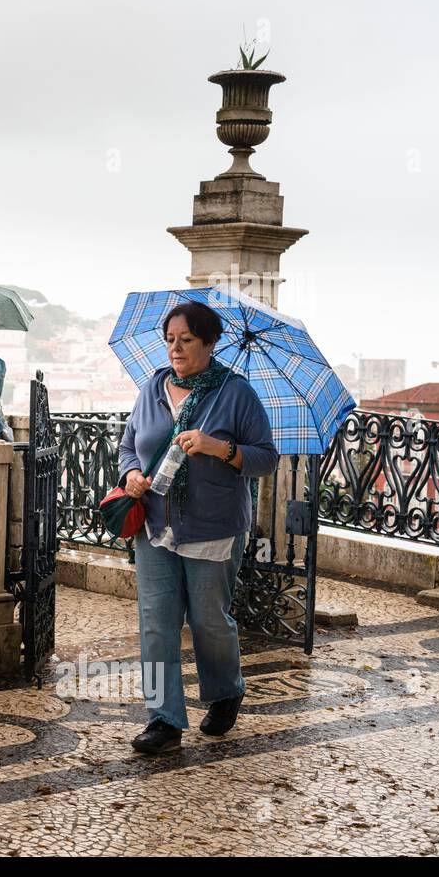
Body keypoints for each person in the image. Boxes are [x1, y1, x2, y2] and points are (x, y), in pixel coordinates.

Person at [117, 302, 278, 754]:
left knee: (209, 620)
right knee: (155, 623)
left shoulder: (236, 393)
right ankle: (163, 718)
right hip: (155, 524)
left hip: (214, 527)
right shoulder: (152, 388)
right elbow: (129, 445)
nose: (175, 348)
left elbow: (265, 458)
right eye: (170, 339)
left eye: (186, 340)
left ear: (210, 343)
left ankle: (227, 690)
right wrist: (131, 473)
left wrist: (217, 447)